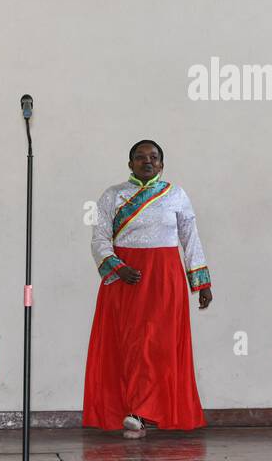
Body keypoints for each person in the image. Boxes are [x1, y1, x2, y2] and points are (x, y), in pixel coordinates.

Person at [83, 140, 213, 439]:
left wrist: (201, 282)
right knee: (130, 345)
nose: (147, 162)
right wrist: (117, 266)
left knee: (159, 345)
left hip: (165, 278)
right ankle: (133, 411)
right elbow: (99, 237)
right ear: (130, 164)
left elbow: (190, 237)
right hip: (127, 278)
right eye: (140, 158)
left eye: (153, 157)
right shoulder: (112, 196)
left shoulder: (175, 194)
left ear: (162, 163)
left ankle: (144, 412)